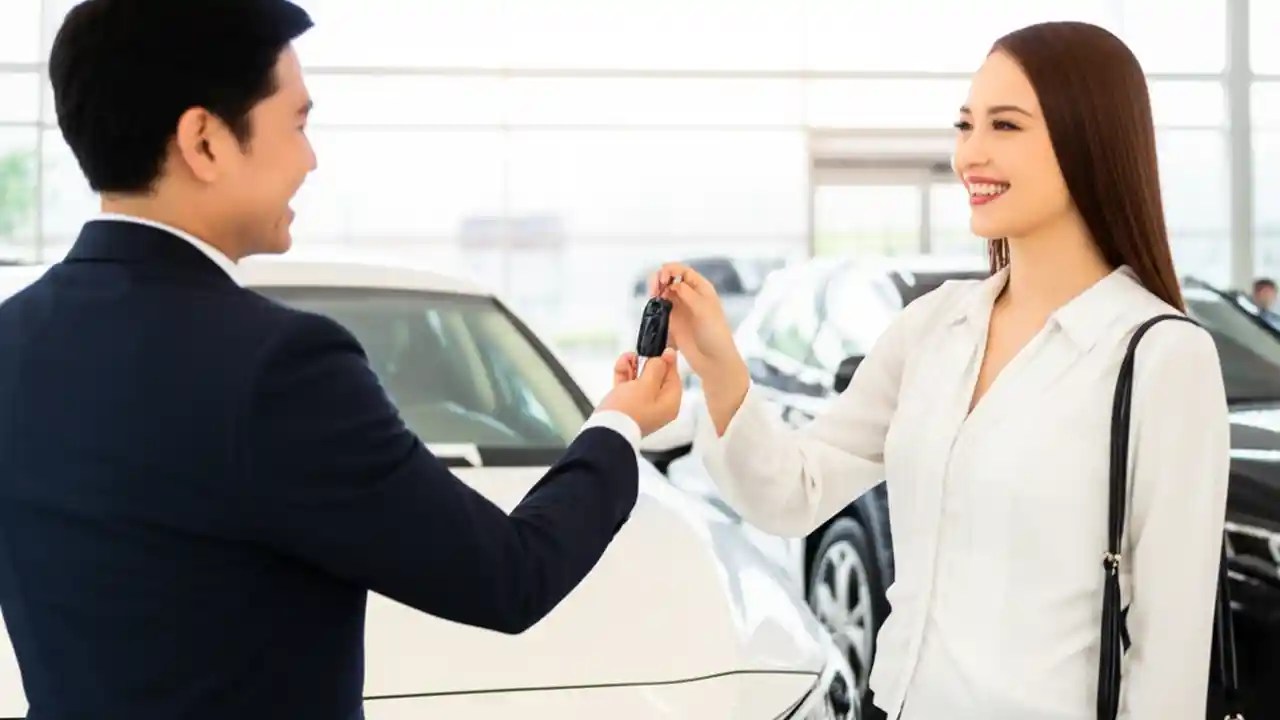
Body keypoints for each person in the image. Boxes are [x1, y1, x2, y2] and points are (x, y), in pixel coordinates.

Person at [0, 1, 680, 719]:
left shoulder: (11, 341)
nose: (311, 157)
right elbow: (511, 576)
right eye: (296, 123)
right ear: (203, 141)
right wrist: (618, 424)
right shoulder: (278, 366)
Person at [652, 21, 1229, 720]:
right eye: (965, 124)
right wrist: (717, 363)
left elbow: (1168, 661)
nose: (969, 155)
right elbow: (792, 492)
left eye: (1005, 125)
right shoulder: (935, 327)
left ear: (1090, 139)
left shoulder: (1160, 357)